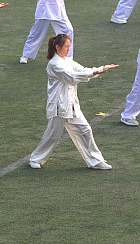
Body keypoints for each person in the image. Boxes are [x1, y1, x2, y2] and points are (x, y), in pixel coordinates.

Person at [28, 34, 117, 170]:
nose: (68, 49)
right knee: (52, 135)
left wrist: (100, 69)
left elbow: (82, 70)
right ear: (58, 47)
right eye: (66, 46)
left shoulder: (68, 61)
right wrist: (95, 72)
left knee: (85, 129)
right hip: (59, 106)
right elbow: (71, 77)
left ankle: (95, 161)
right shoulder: (54, 64)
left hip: (71, 105)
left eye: (69, 46)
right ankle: (36, 159)